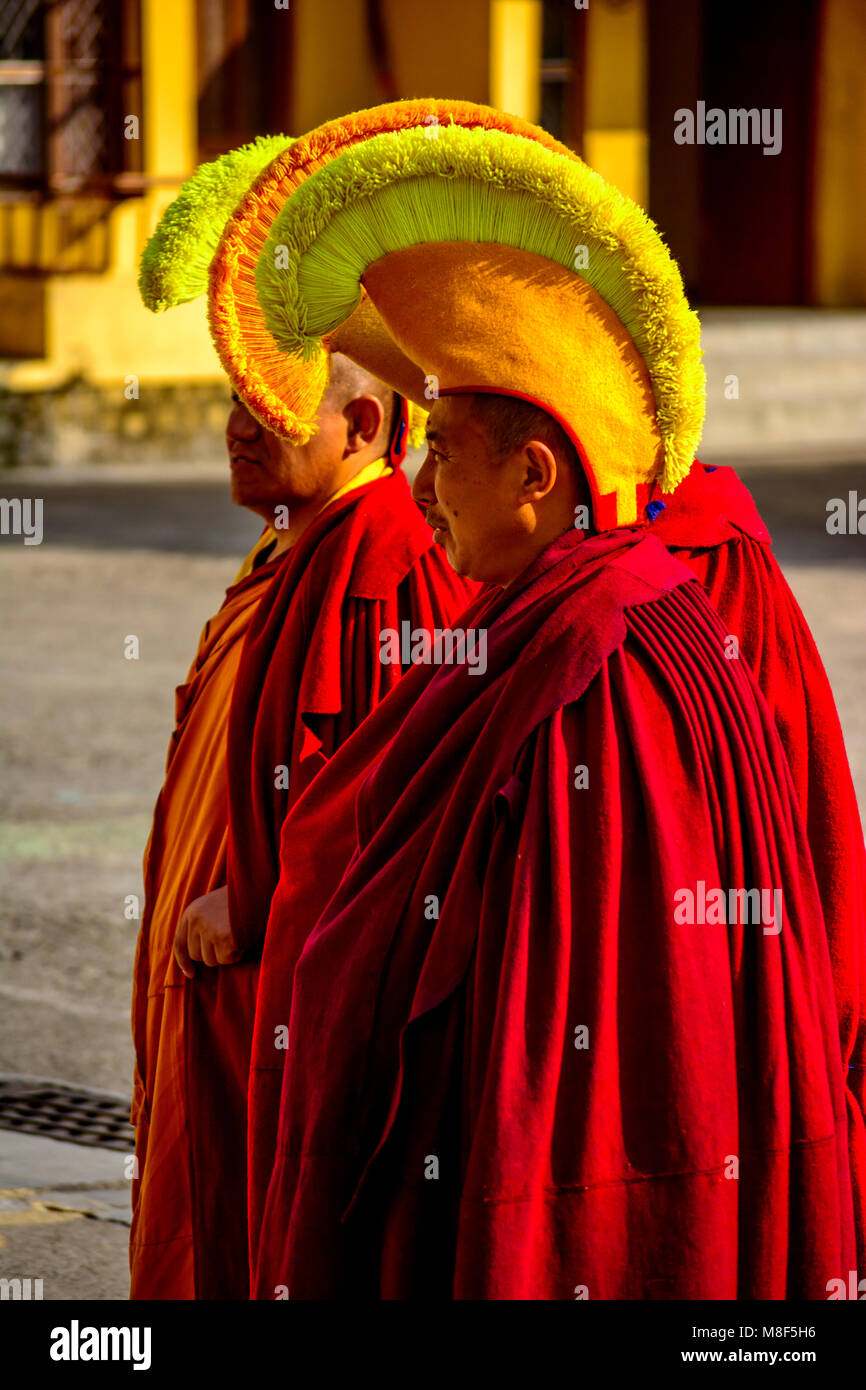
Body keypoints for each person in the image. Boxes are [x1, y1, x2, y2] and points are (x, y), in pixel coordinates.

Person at [232, 102, 864, 1298]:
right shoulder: (570, 608)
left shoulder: (602, 648)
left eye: (445, 456)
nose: (419, 491)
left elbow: (579, 994)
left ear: (534, 475)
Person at [129, 142, 478, 1301]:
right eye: (236, 396)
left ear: (368, 425)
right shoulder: (298, 539)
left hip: (269, 980)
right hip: (222, 978)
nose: (237, 422)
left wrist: (264, 897)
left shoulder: (382, 557)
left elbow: (387, 800)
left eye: (270, 405)